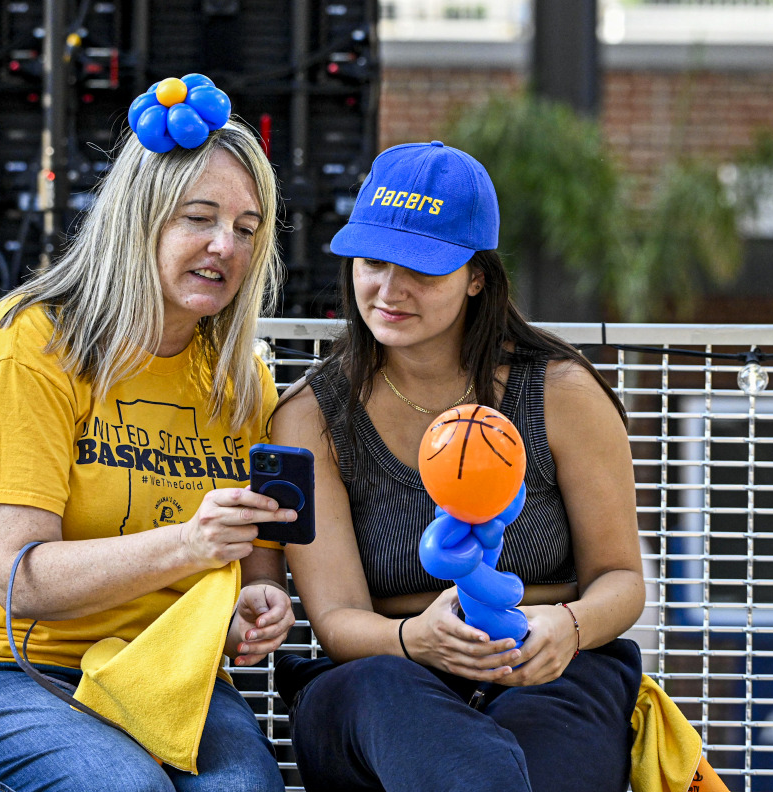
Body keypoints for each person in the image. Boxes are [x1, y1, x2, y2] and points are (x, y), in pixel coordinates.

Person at [0, 91, 295, 792]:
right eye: (200, 218)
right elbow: (18, 581)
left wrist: (257, 600)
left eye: (248, 229)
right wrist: (187, 543)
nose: (227, 245)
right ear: (137, 220)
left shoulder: (240, 380)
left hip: (154, 678)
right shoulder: (28, 347)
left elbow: (256, 560)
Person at [270, 141, 646, 792]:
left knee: (529, 760)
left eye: (420, 267)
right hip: (384, 671)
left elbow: (620, 578)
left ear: (477, 275)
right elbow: (335, 620)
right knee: (419, 724)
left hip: (547, 662)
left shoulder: (560, 393)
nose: (389, 289)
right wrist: (417, 638)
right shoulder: (310, 416)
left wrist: (567, 627)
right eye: (373, 261)